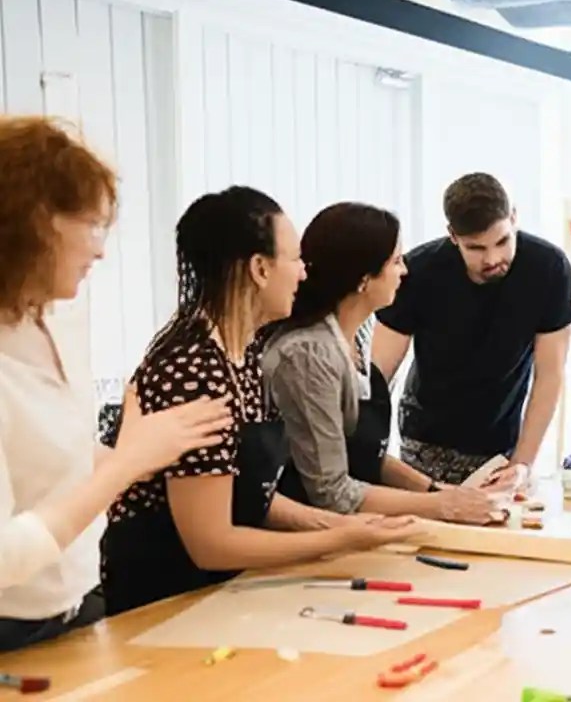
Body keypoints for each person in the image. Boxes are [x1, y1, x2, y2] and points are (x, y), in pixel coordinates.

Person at [99, 186, 421, 616]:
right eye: (294, 260)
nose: (305, 274)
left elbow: (250, 493)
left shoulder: (244, 351)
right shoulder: (194, 370)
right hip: (164, 598)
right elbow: (210, 543)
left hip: (219, 593)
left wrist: (344, 523)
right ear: (259, 269)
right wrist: (338, 540)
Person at [0, 117, 232, 650]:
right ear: (36, 222)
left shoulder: (55, 318)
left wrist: (134, 454)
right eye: (92, 225)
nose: (101, 250)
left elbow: (55, 459)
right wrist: (129, 461)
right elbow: (7, 555)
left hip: (80, 603)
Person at [261, 202, 493, 523]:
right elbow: (331, 492)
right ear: (363, 279)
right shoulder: (308, 356)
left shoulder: (353, 335)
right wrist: (442, 507)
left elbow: (365, 454)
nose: (405, 271)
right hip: (304, 535)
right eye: (396, 261)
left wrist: (437, 491)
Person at [372, 173, 571, 488]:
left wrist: (523, 463)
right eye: (476, 248)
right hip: (425, 440)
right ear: (453, 236)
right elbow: (378, 374)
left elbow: (550, 375)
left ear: (514, 218)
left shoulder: (548, 269)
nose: (492, 258)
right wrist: (367, 448)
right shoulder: (419, 272)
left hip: (502, 441)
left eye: (502, 241)